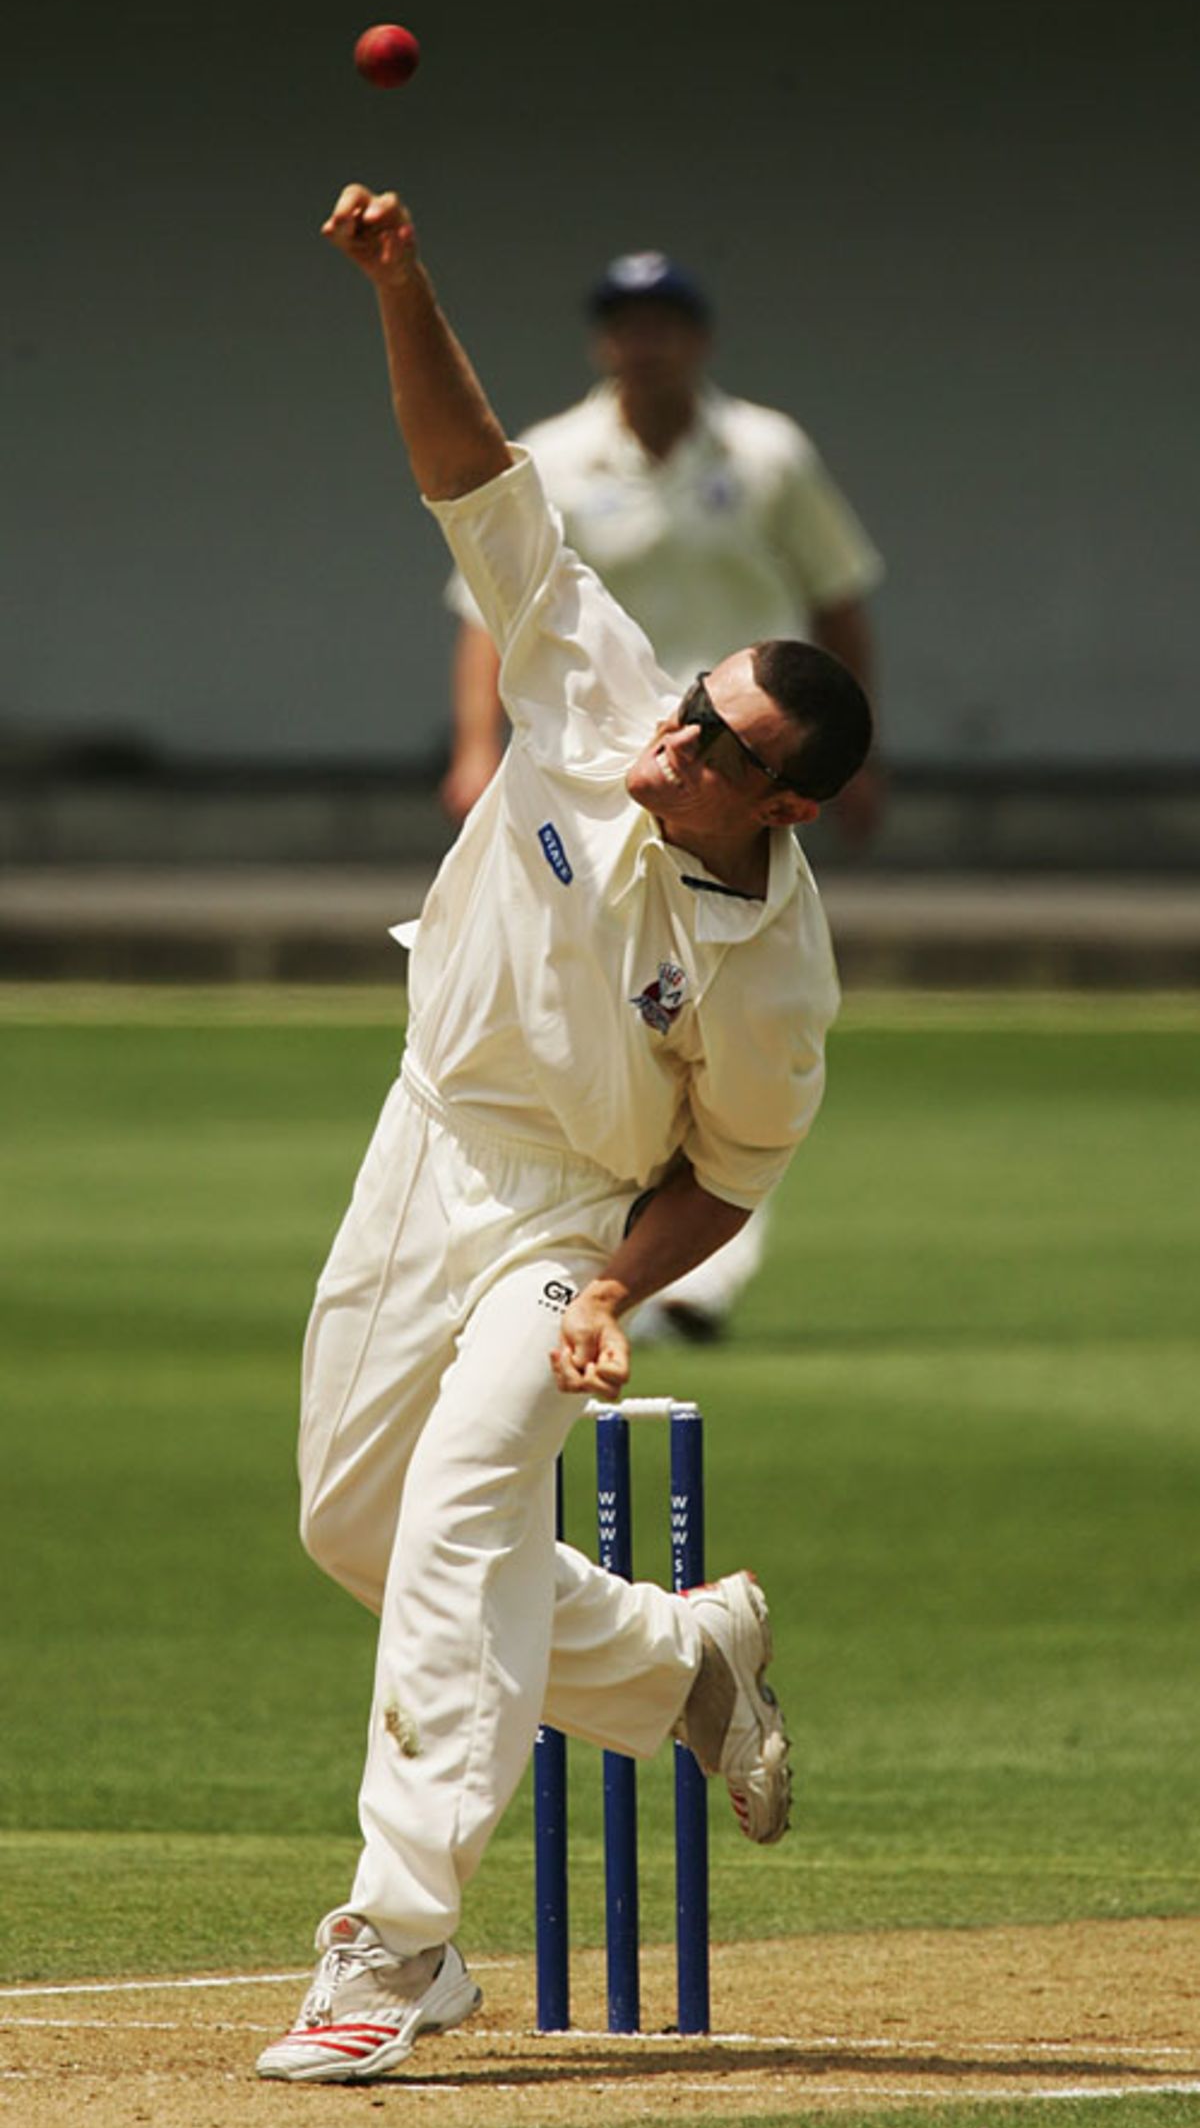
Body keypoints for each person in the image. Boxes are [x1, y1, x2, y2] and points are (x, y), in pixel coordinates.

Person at [256, 182, 873, 2085]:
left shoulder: (774, 989)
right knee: (355, 1523)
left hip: (566, 1217)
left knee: (457, 1522)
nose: (672, 739)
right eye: (695, 704)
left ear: (785, 809)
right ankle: (691, 1658)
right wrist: (404, 281)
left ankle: (400, 1942)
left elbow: (730, 1176)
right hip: (418, 1137)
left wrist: (611, 1284)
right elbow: (474, 475)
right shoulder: (601, 676)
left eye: (718, 746)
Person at [442, 248, 884, 1345]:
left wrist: (852, 753)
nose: (647, 343)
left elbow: (837, 601)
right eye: (626, 323)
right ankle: (611, 1260)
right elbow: (492, 609)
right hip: (620, 761)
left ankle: (697, 1274)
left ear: (699, 336)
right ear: (604, 340)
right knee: (613, 1014)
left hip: (750, 773)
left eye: (666, 322)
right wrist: (472, 745)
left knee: (738, 1014)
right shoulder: (556, 453)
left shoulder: (769, 453)